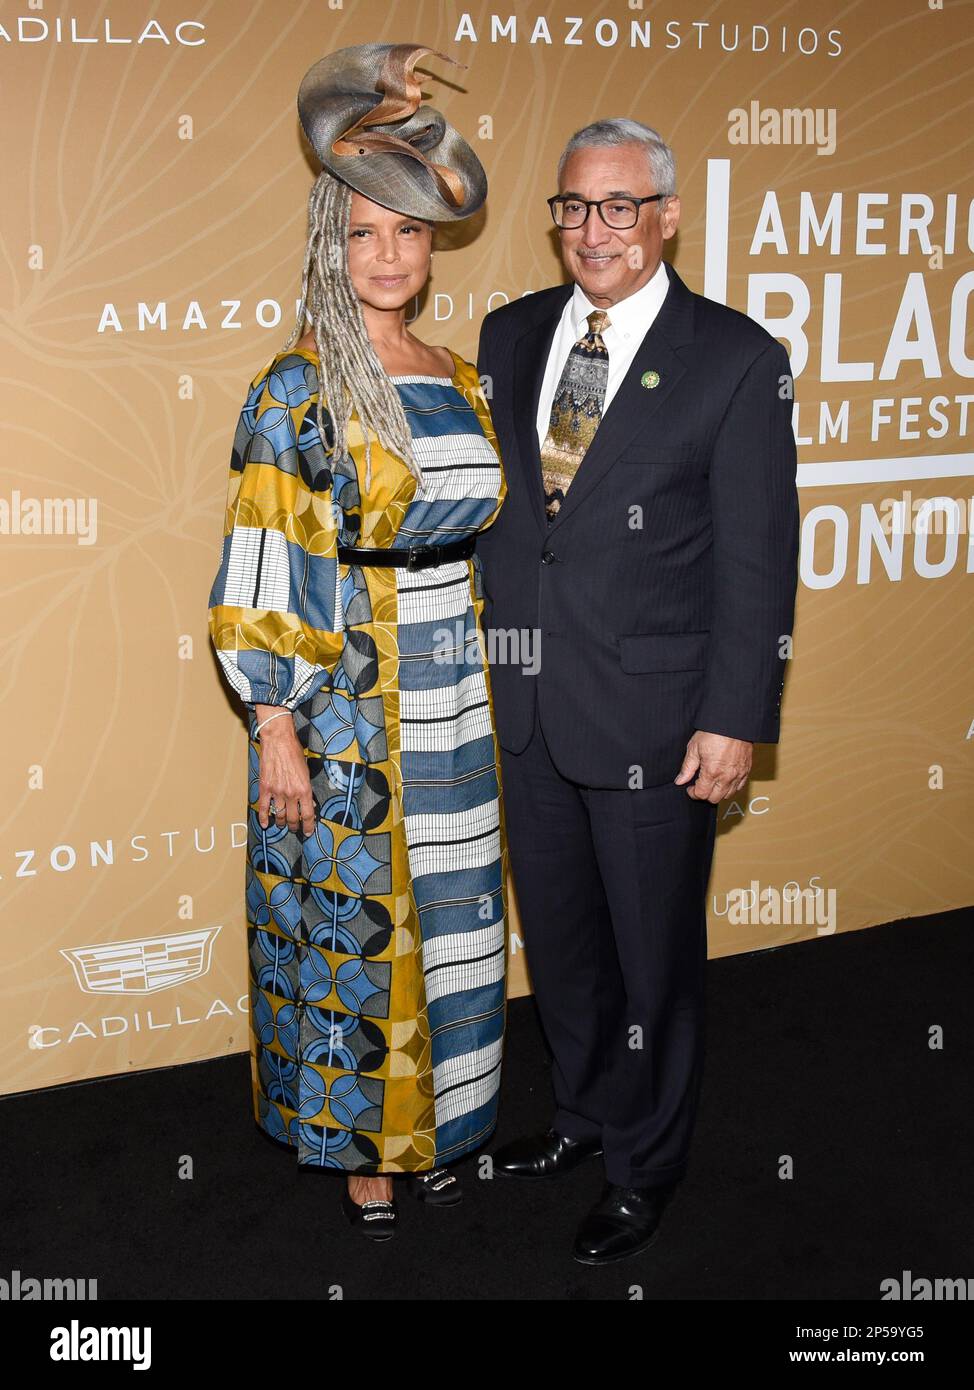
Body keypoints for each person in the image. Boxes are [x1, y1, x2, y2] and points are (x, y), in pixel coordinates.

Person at [476, 117, 800, 1265]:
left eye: (619, 207)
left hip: (660, 722)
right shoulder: (509, 333)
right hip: (527, 703)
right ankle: (578, 1117)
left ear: (664, 216)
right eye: (573, 206)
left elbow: (757, 560)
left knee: (651, 957)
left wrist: (733, 718)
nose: (592, 230)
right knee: (561, 941)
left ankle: (643, 1163)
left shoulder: (733, 358)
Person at [207, 43, 509, 1242]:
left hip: (456, 694)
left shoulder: (465, 379)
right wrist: (273, 720)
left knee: (449, 916)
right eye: (361, 235)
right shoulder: (298, 386)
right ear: (330, 249)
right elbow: (263, 558)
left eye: (407, 235)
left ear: (434, 246)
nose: (388, 257)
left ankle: (435, 1122)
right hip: (343, 693)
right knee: (350, 926)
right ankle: (361, 1150)